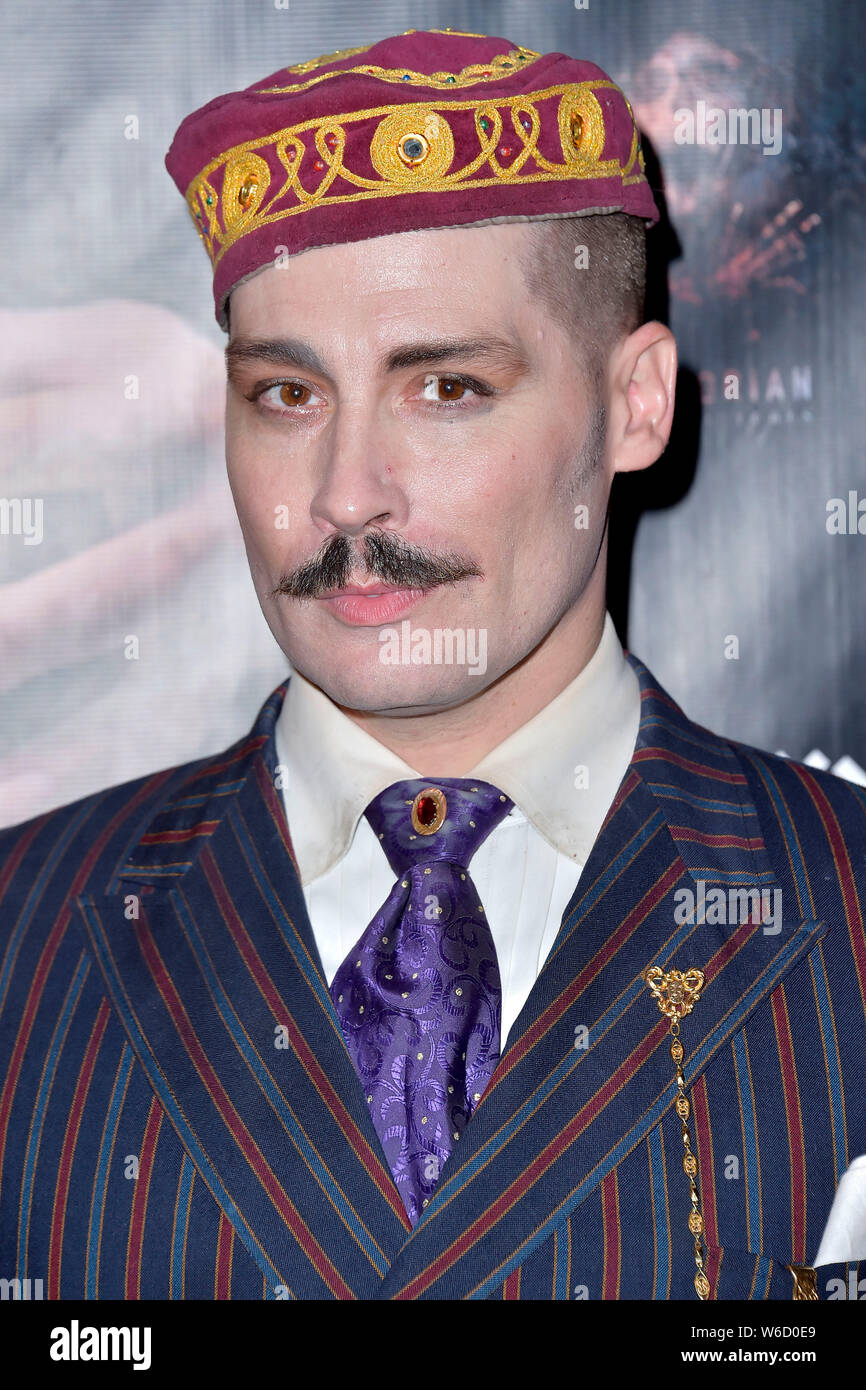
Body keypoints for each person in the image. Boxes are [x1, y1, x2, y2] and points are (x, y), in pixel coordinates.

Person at [1, 27, 864, 1302]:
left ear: (636, 404)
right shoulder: (25, 931)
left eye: (447, 388)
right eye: (287, 396)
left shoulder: (841, 909)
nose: (346, 494)